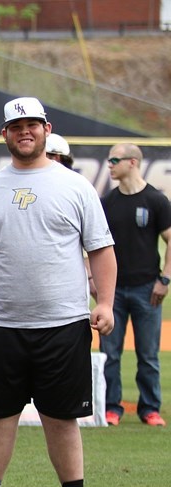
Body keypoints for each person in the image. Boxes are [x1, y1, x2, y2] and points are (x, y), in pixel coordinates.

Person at [0, 97, 116, 487]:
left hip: (62, 322)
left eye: (32, 124)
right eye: (15, 125)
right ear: (5, 134)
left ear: (47, 129)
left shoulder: (75, 186)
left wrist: (104, 302)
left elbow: (101, 249)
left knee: (62, 416)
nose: (25, 131)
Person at [99, 142, 171, 427]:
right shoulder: (108, 202)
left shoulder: (156, 200)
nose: (110, 165)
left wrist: (164, 279)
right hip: (113, 291)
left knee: (148, 354)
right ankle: (112, 408)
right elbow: (95, 244)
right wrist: (94, 280)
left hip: (146, 289)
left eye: (115, 159)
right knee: (110, 353)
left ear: (132, 163)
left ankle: (150, 408)